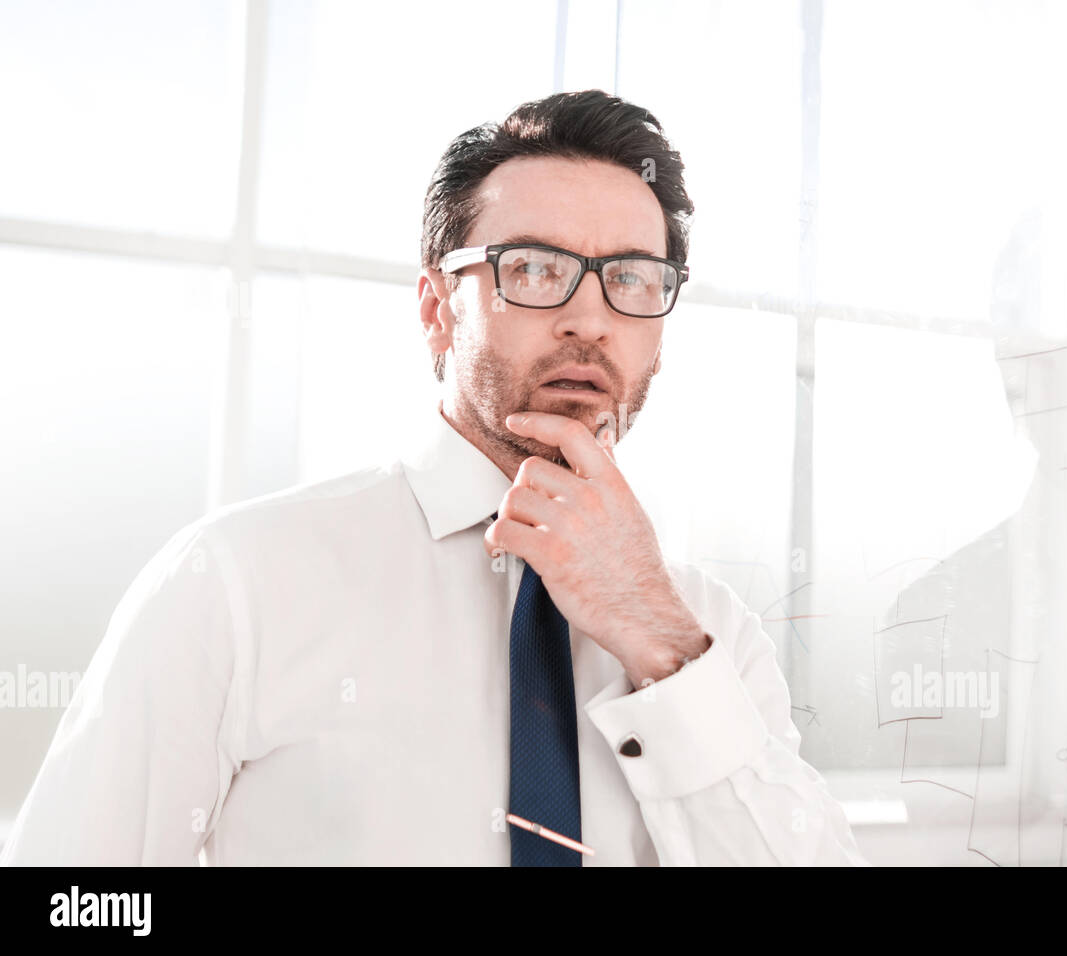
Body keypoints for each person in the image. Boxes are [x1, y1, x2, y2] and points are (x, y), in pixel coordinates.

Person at [1, 90, 864, 866]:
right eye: (533, 268)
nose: (590, 319)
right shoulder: (235, 583)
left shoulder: (708, 634)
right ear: (434, 310)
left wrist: (659, 643)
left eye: (633, 280)